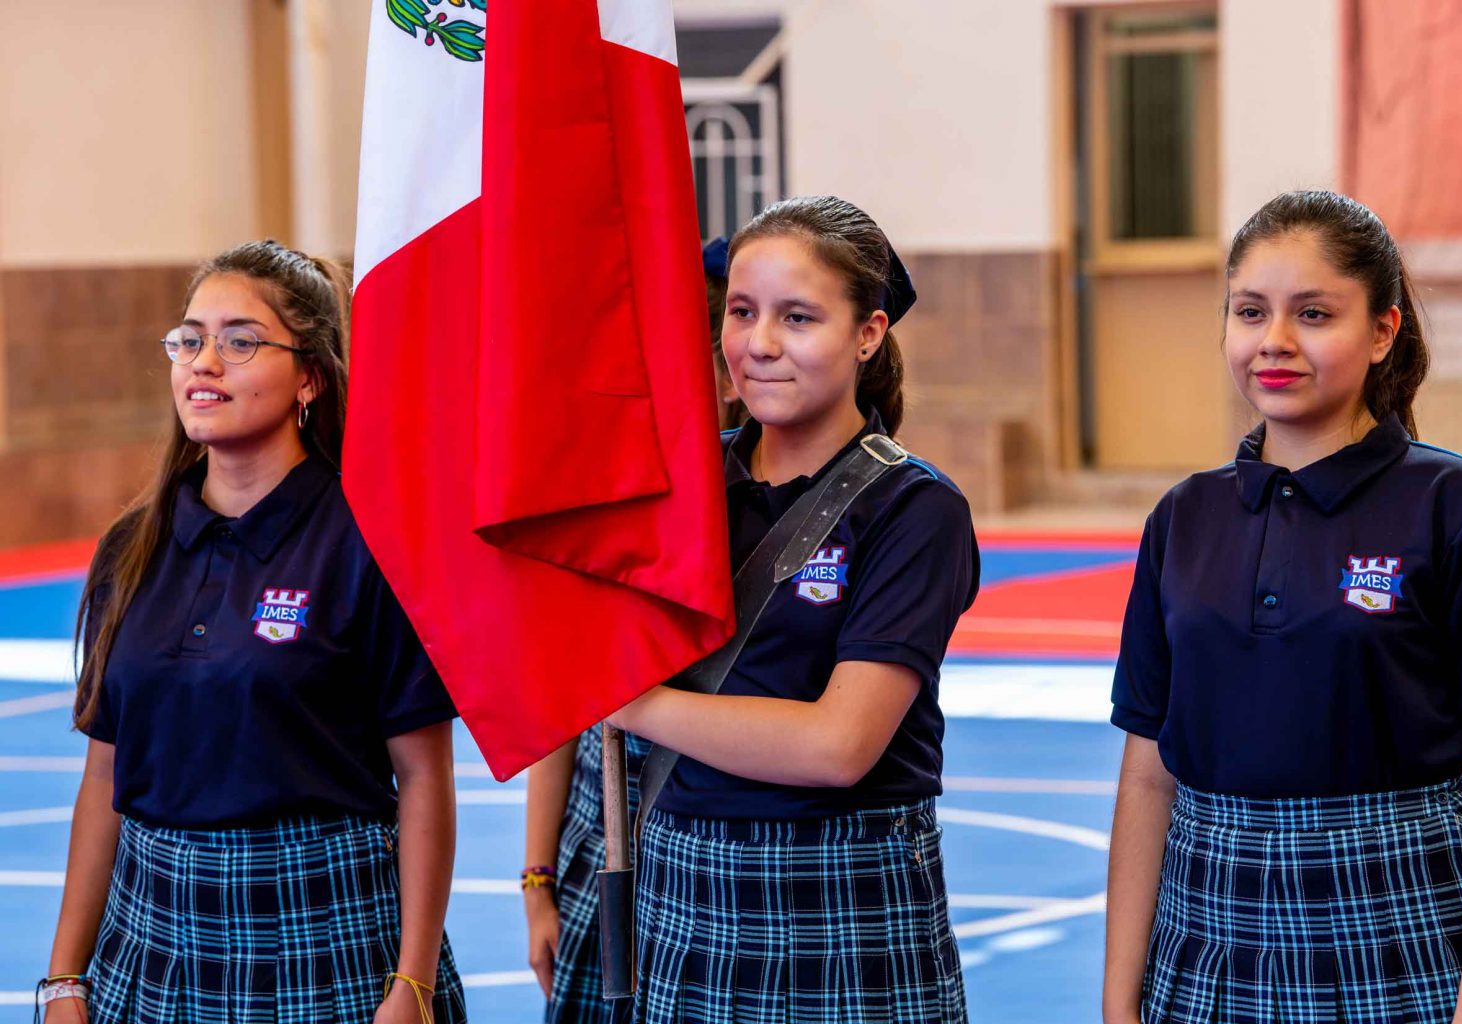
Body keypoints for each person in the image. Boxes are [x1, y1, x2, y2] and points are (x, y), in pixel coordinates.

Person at [1103, 190, 1462, 1024]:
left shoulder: (1455, 505)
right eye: (1249, 312)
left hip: (1406, 932)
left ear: (1382, 332)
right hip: (1205, 936)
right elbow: (1149, 775)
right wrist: (1121, 997)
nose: (1274, 340)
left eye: (1313, 313)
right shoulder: (1184, 518)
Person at [41, 240, 467, 1024]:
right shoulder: (131, 548)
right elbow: (104, 777)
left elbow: (423, 779)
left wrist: (412, 982)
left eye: (240, 342)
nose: (204, 363)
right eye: (189, 340)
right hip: (152, 944)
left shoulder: (370, 541)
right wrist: (65, 977)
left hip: (324, 939)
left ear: (310, 377)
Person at [607, 195, 979, 1024]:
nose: (760, 344)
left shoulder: (914, 508)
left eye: (798, 317)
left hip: (846, 893)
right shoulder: (675, 488)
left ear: (868, 333)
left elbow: (838, 746)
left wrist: (633, 704)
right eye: (742, 312)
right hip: (681, 884)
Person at [522, 238, 744, 1023]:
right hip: (596, 859)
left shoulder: (760, 513)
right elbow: (560, 706)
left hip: (714, 870)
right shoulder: (607, 511)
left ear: (727, 376)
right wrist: (537, 878)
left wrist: (630, 703)